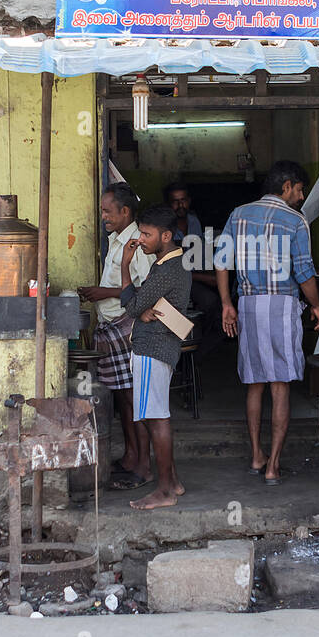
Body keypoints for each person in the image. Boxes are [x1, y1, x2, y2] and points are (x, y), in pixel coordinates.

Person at [216, 160, 319, 485]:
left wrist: (225, 304)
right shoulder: (296, 220)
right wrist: (317, 305)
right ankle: (274, 466)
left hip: (248, 304)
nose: (301, 196)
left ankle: (255, 455)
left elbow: (221, 262)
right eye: (301, 189)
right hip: (281, 305)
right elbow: (304, 274)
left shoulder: (239, 214)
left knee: (254, 383)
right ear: (287, 186)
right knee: (280, 386)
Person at [77, 183, 154, 487]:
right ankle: (131, 457)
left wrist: (102, 292)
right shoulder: (116, 240)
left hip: (128, 326)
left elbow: (147, 289)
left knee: (135, 400)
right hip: (111, 327)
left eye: (108, 211)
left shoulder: (137, 243)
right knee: (124, 399)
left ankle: (144, 466)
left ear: (125, 211)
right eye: (102, 211)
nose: (103, 216)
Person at [119, 205, 192, 510]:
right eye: (141, 233)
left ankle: (164, 490)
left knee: (156, 417)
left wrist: (125, 266)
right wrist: (142, 306)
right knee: (154, 414)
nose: (141, 240)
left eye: (147, 234)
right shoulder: (171, 264)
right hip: (159, 348)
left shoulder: (166, 270)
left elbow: (132, 306)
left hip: (152, 349)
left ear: (165, 235)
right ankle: (171, 479)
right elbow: (141, 307)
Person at [164, 180, 222, 357]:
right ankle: (186, 355)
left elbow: (201, 256)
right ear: (168, 203)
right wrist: (200, 276)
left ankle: (197, 353)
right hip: (173, 282)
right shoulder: (164, 225)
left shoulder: (193, 221)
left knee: (216, 307)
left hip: (192, 277)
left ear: (189, 200)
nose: (180, 205)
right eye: (175, 201)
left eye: (183, 200)